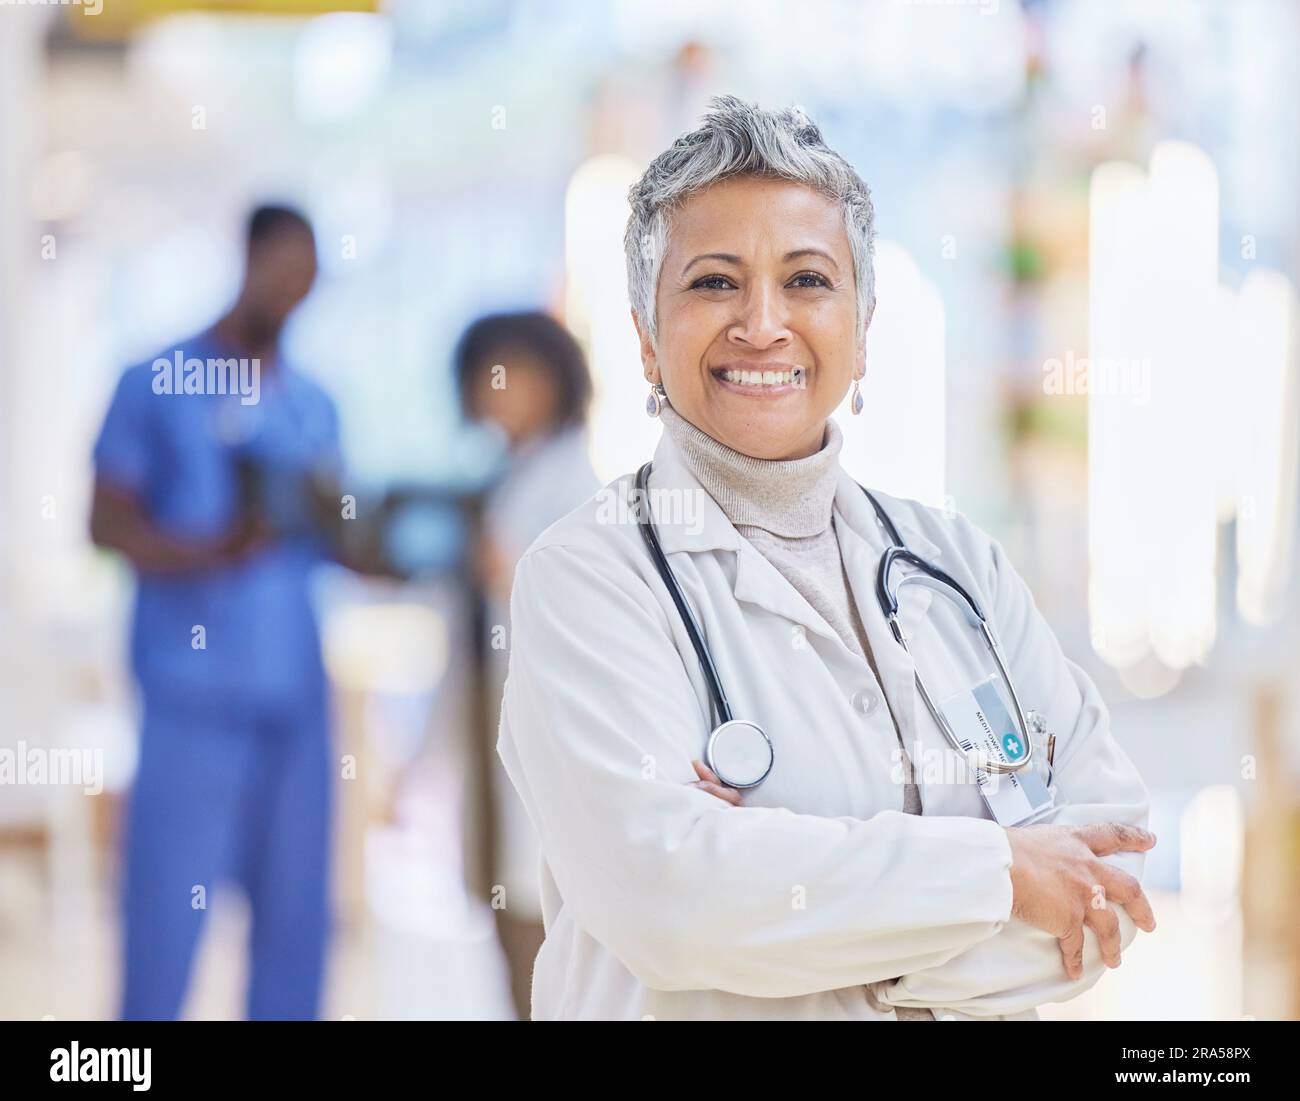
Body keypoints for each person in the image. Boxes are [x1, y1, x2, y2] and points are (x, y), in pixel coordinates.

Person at [495, 97, 1157, 1021]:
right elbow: (673, 905)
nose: (762, 324)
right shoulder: (587, 578)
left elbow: (1108, 876)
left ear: (863, 324)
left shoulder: (958, 563)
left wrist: (809, 928)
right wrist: (1002, 873)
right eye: (714, 283)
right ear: (646, 336)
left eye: (807, 279)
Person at [91, 204, 344, 1020]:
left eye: (308, 275)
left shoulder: (312, 404)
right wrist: (216, 548)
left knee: (297, 920)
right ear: (248, 256)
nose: (292, 287)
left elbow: (332, 533)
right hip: (190, 695)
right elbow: (105, 522)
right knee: (166, 914)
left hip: (295, 699)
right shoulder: (155, 380)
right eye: (282, 266)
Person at [453, 311, 598, 1019]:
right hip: (496, 721)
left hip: (548, 737)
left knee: (543, 926)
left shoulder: (573, 478)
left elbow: (578, 609)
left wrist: (502, 571)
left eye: (511, 375)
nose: (495, 392)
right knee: (507, 910)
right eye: (484, 377)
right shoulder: (511, 476)